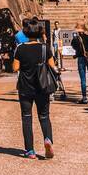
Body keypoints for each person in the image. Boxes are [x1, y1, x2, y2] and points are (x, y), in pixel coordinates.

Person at [12, 20, 56, 159]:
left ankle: (30, 150)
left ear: (26, 32)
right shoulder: (45, 48)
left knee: (26, 117)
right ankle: (47, 139)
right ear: (39, 32)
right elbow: (52, 66)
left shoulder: (20, 48)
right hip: (42, 86)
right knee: (44, 115)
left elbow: (15, 68)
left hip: (25, 86)